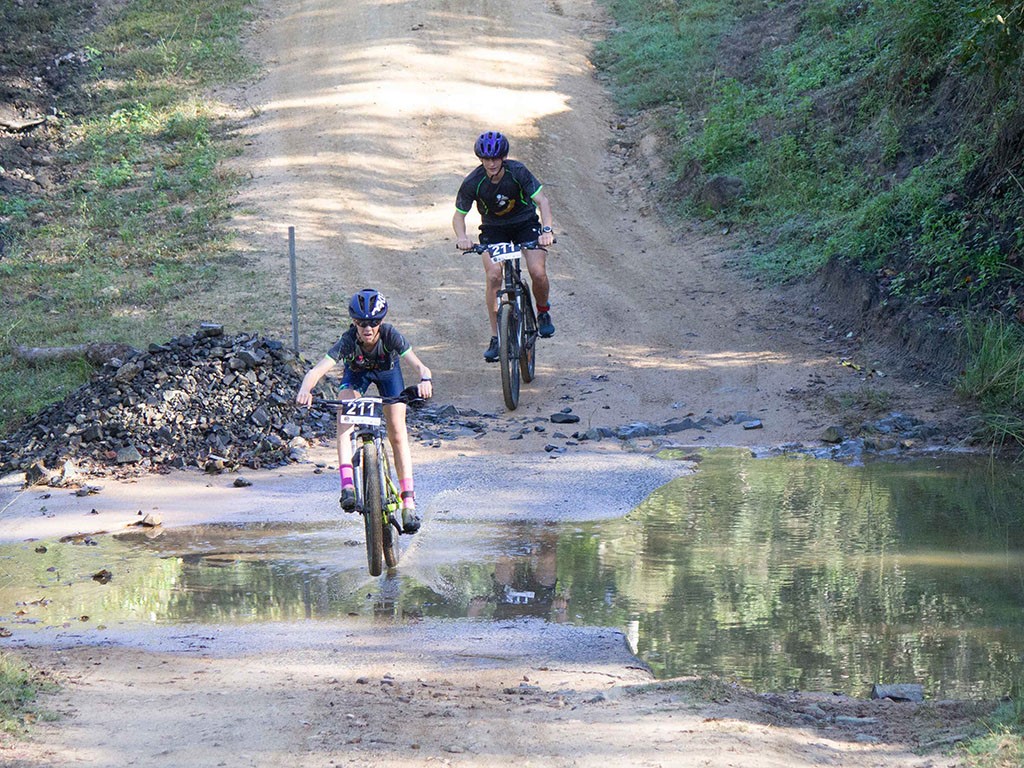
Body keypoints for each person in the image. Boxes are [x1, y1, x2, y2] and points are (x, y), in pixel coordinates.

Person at [295, 289, 432, 534]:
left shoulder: (390, 335)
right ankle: (347, 486)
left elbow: (420, 366)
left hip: (389, 375)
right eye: (361, 323)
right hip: (356, 375)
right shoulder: (348, 341)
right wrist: (305, 390)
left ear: (381, 323)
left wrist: (425, 380)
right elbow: (316, 371)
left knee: (397, 433)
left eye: (374, 323)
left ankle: (408, 503)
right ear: (353, 323)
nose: (367, 329)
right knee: (344, 415)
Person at [453, 130, 556, 362]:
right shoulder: (473, 181)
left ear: (504, 157)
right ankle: (496, 337)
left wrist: (547, 231)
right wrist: (462, 237)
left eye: (496, 158)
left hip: (525, 224)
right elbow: (459, 216)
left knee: (538, 272)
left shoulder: (517, 172)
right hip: (493, 229)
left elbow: (543, 202)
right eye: (487, 159)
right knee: (493, 277)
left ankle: (542, 312)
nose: (491, 163)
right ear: (480, 159)